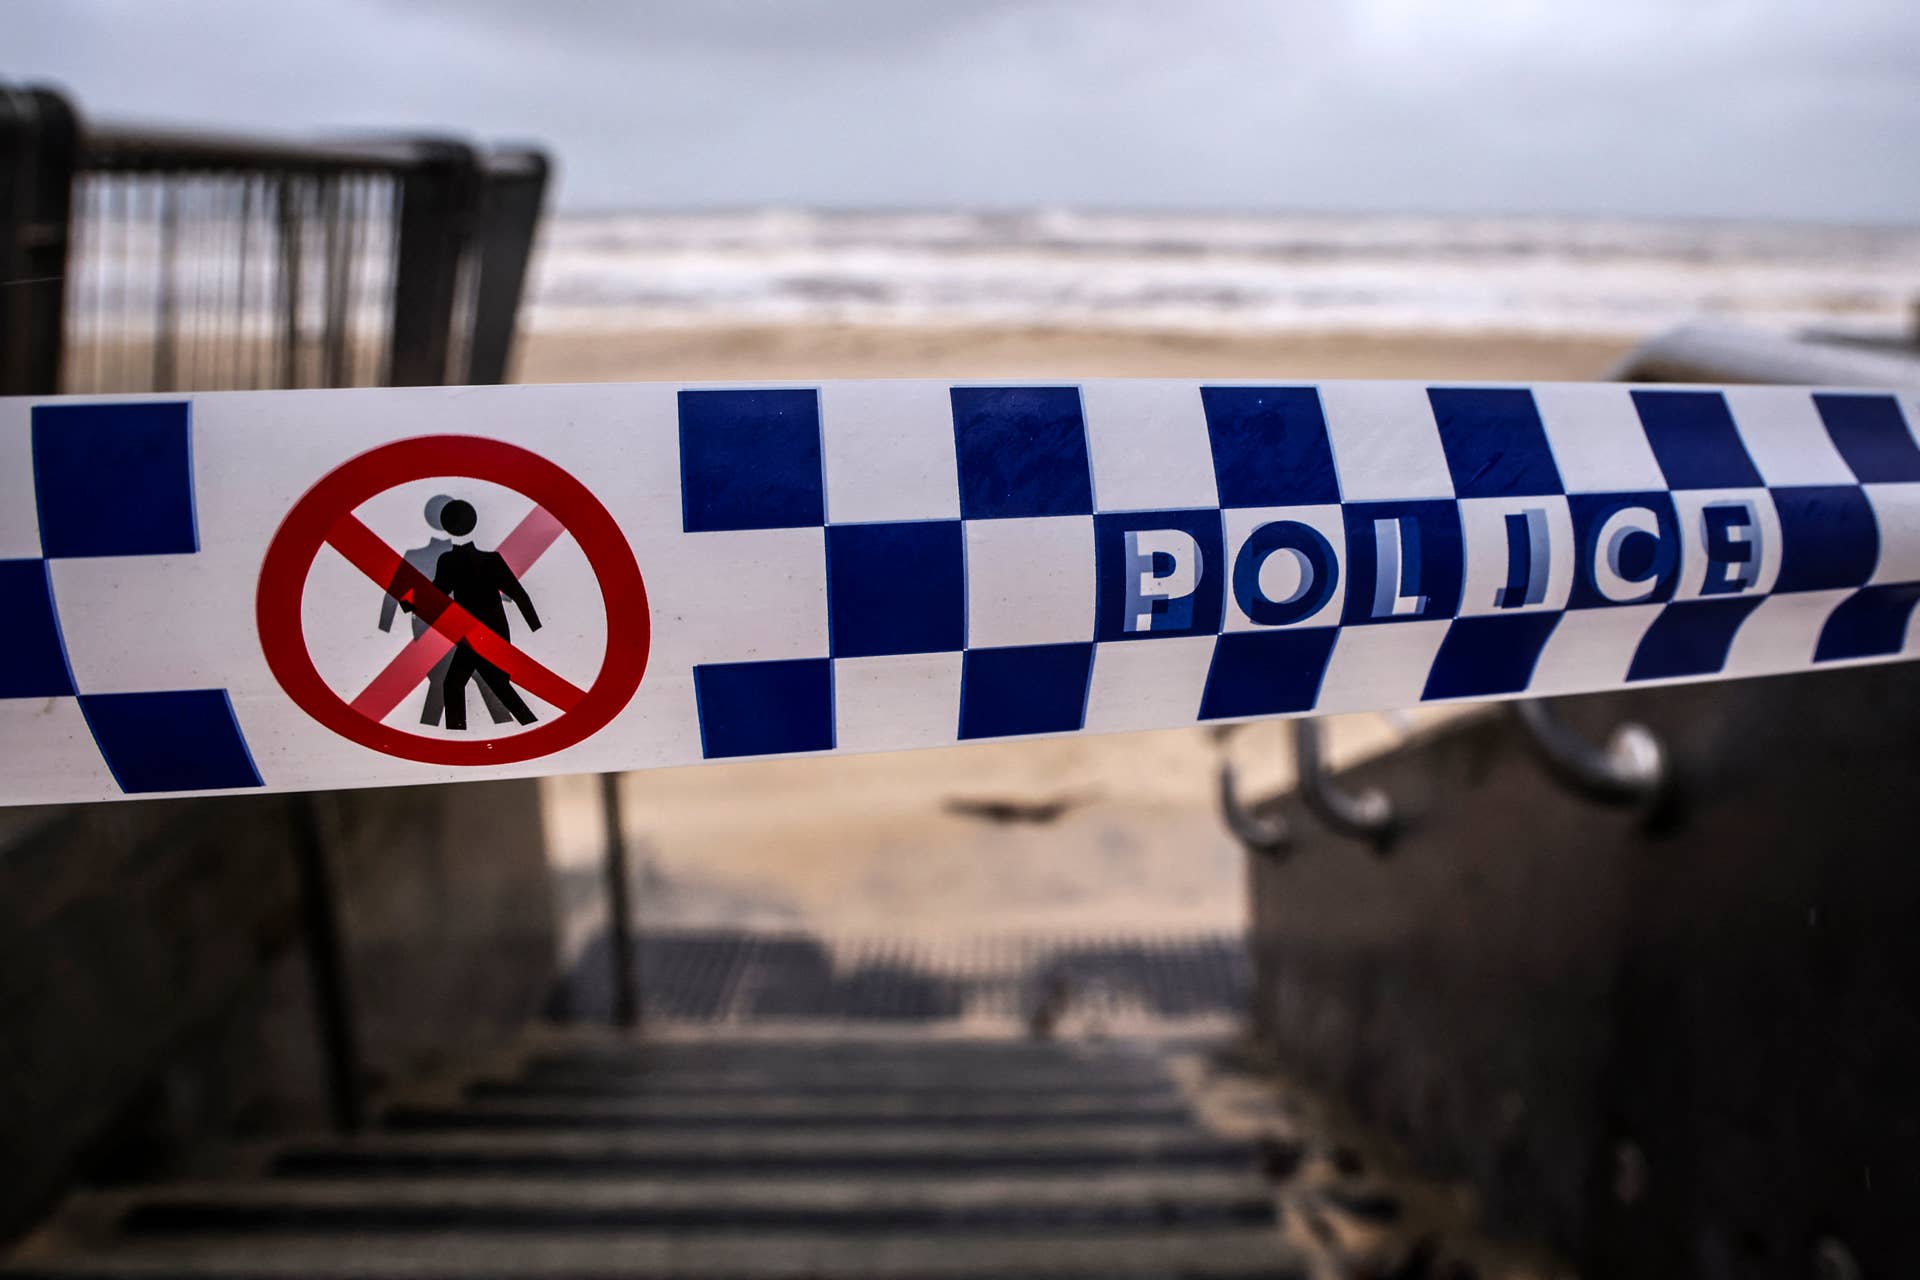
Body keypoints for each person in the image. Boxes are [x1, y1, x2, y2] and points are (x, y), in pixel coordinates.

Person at [378, 496, 513, 727]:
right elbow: (507, 594)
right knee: (477, 684)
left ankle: (457, 733)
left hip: (435, 630)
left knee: (451, 683)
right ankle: (501, 731)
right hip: (458, 631)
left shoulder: (423, 556)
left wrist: (386, 625)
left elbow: (399, 596)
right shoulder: (472, 558)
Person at [430, 498, 542, 731]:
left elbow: (434, 593)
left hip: (481, 635)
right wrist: (535, 627)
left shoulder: (450, 561)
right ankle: (459, 734)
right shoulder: (488, 560)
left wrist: (408, 603)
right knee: (476, 684)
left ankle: (457, 734)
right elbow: (518, 593)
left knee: (463, 684)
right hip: (483, 633)